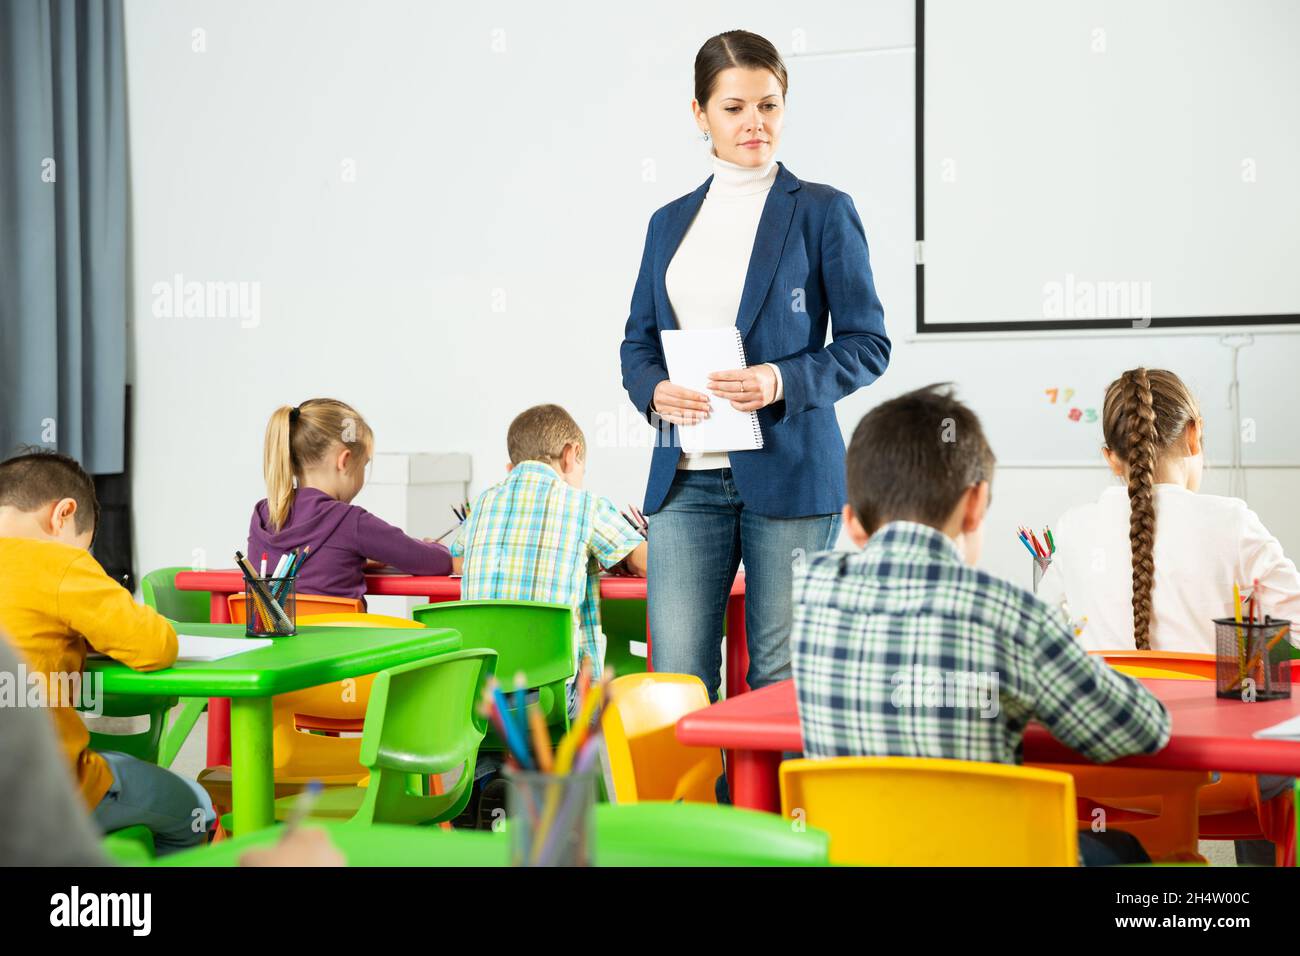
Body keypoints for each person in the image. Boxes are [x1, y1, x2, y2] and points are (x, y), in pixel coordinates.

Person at [789, 386, 1171, 865]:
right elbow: (1140, 731)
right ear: (976, 503)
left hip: (857, 854)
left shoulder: (812, 593)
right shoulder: (1011, 615)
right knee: (1122, 850)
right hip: (987, 855)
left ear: (853, 523)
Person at [619, 29, 890, 702]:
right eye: (734, 107)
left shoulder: (823, 211)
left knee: (779, 679)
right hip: (685, 480)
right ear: (699, 114)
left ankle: (776, 814)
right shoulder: (667, 222)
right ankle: (695, 813)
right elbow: (637, 345)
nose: (754, 124)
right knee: (677, 680)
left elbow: (867, 343)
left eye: (769, 105)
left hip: (793, 475)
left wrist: (780, 379)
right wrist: (654, 390)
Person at [0, 449, 214, 854]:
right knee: (197, 807)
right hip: (40, 794)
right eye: (83, 548)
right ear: (62, 514)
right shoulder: (58, 563)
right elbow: (155, 645)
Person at [248, 398, 451, 601]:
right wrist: (437, 547)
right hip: (340, 633)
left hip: (275, 631)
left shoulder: (263, 515)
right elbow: (433, 561)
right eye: (363, 464)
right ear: (344, 461)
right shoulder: (349, 521)